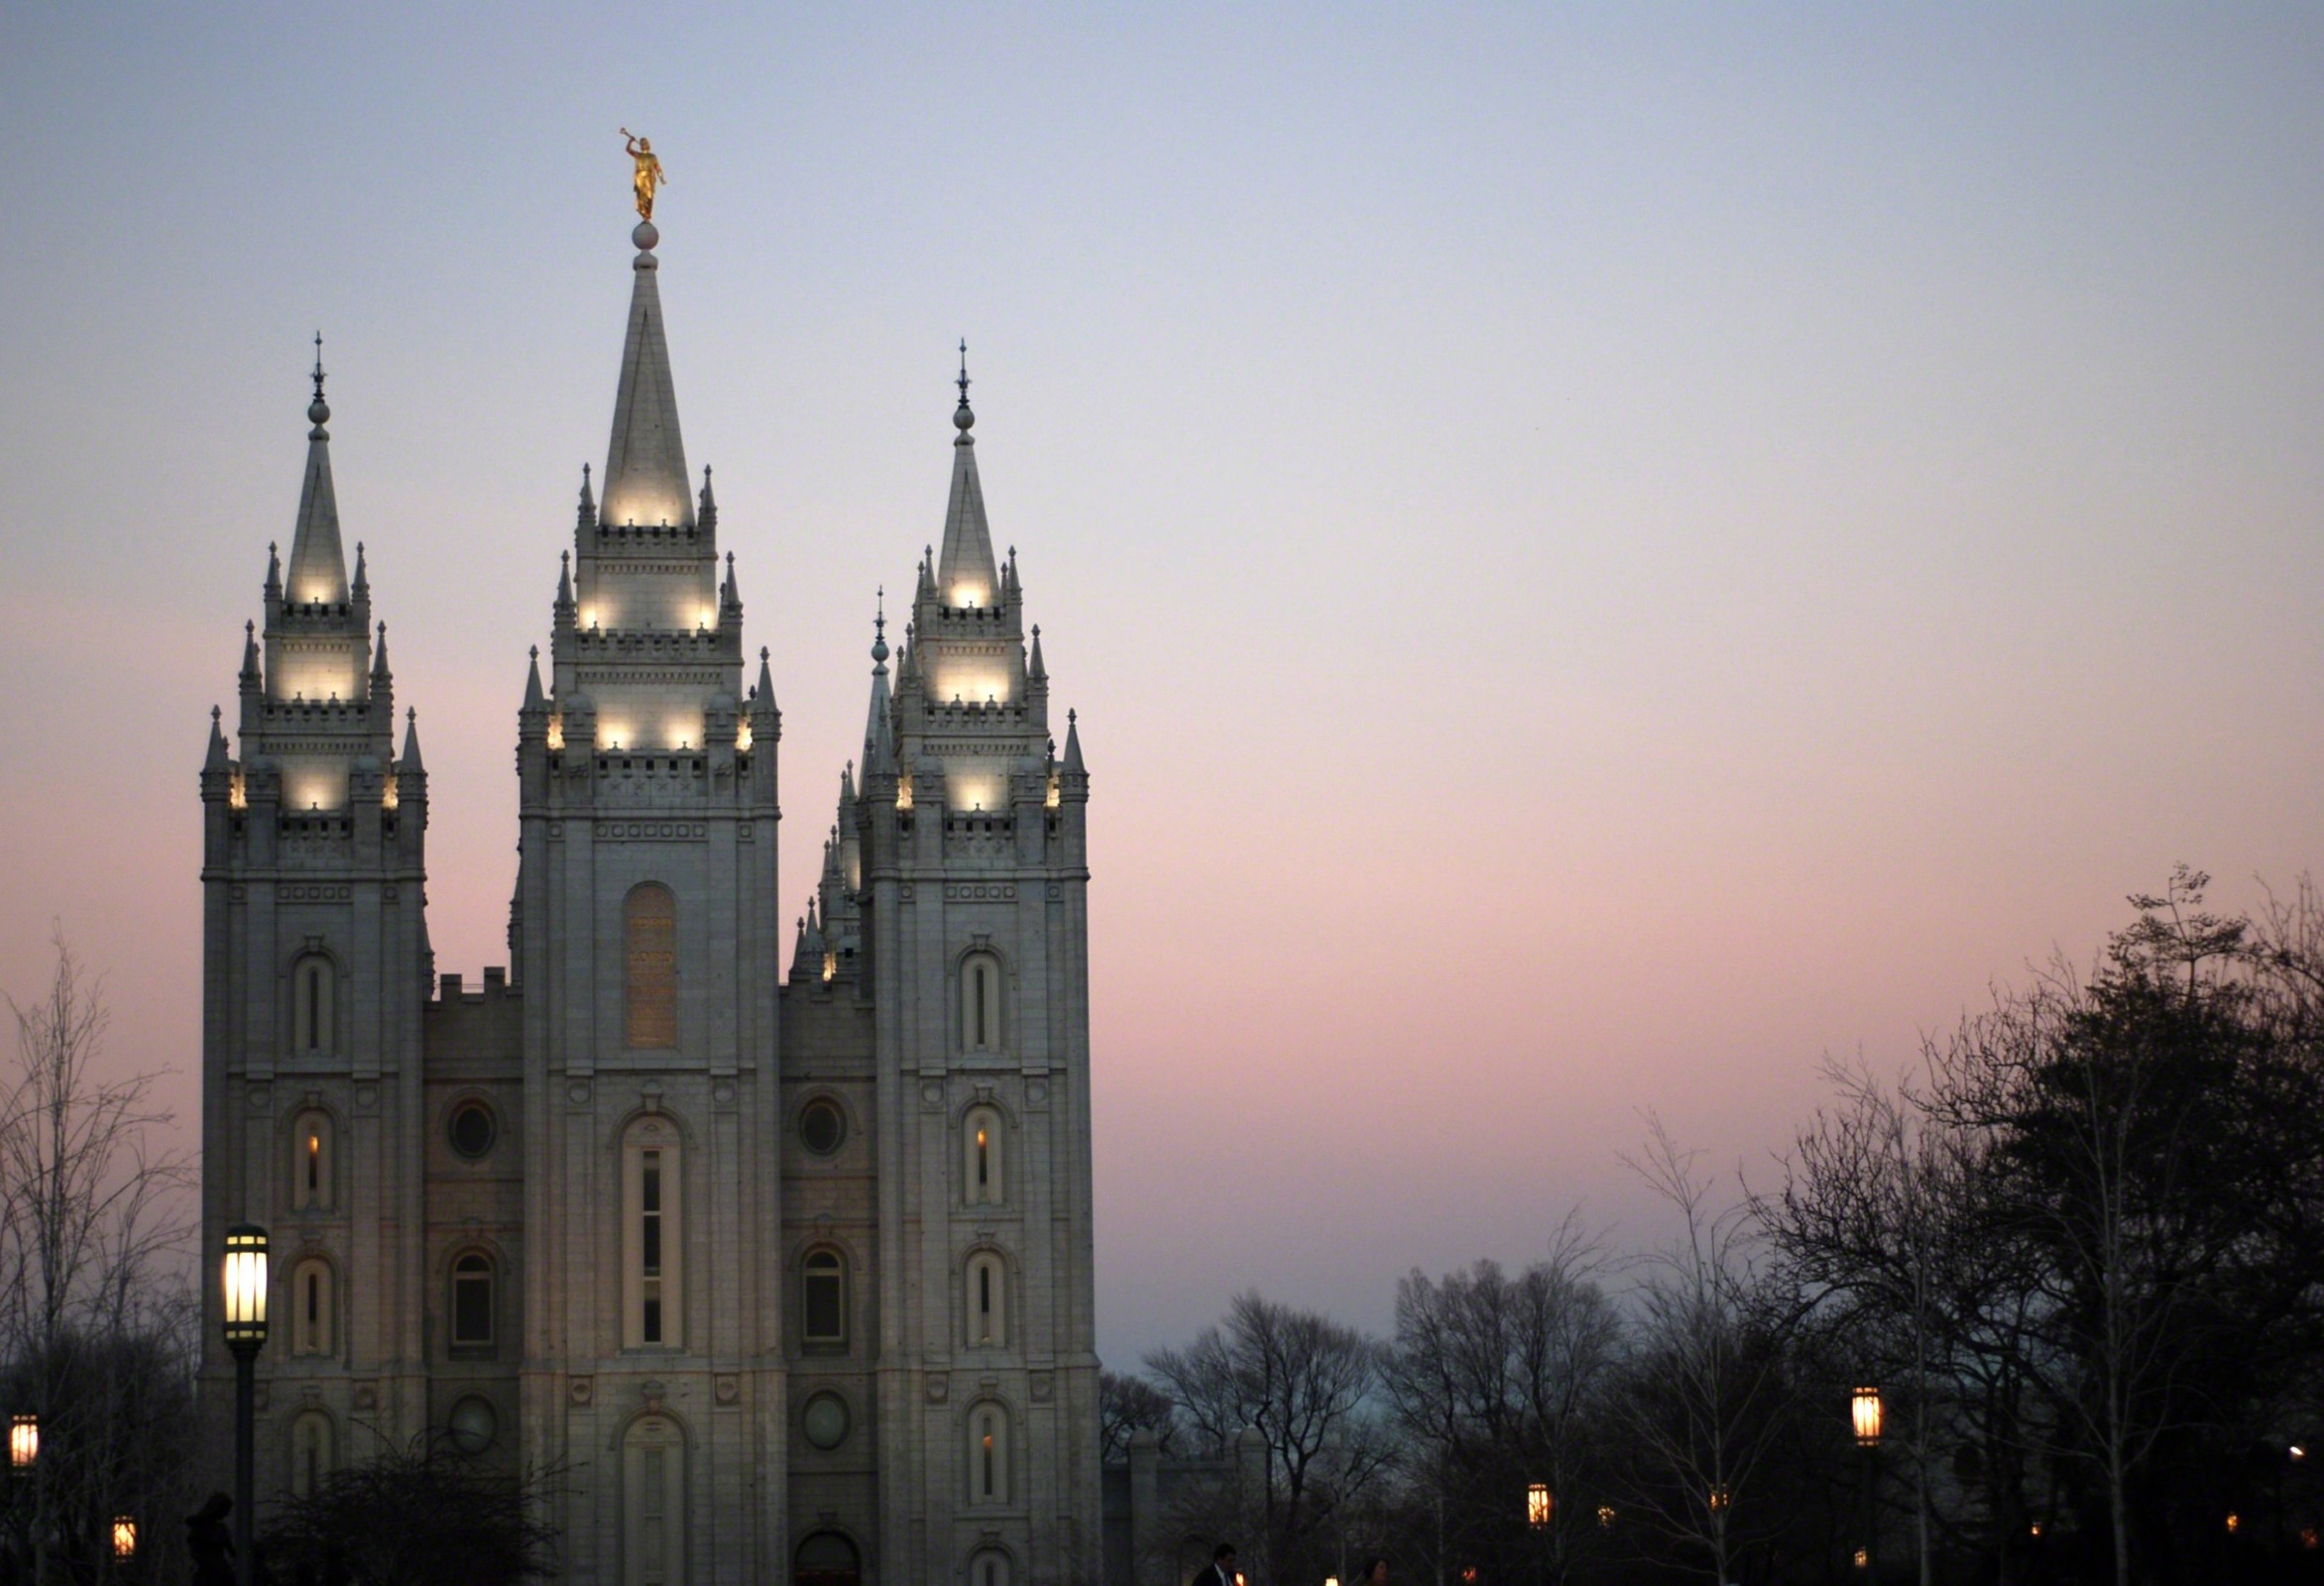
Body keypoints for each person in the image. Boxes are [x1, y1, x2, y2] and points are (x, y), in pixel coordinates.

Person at [186, 1492, 234, 1586]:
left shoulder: (220, 1528)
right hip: (209, 1575)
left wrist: (248, 1551)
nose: (227, 1514)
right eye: (226, 1510)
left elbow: (233, 1552)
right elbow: (195, 1552)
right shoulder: (200, 1526)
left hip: (219, 1574)